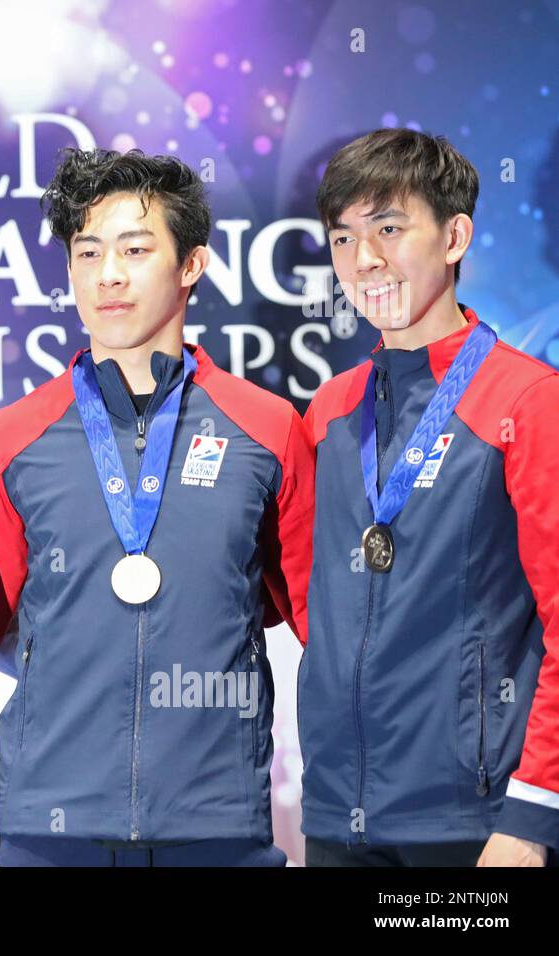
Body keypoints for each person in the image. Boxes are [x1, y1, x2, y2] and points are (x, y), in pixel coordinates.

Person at [0, 148, 313, 867]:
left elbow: (320, 618)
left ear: (191, 265)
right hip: (47, 827)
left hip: (217, 824)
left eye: (135, 248)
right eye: (87, 251)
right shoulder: (12, 435)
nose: (108, 275)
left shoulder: (268, 426)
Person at [300, 128, 559, 866]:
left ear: (454, 236)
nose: (365, 260)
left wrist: (533, 815)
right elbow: (308, 600)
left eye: (389, 227)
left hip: (477, 826)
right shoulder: (329, 411)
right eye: (344, 238)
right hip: (337, 820)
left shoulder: (529, 401)